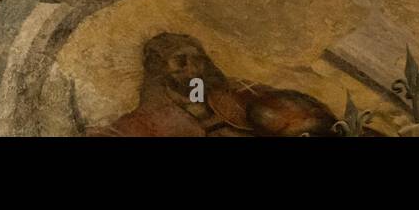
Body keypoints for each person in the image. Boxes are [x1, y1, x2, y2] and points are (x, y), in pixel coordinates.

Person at [90, 33, 339, 136]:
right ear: (158, 68)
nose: (193, 68)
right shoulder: (144, 120)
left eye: (198, 59)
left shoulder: (239, 90)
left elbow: (300, 114)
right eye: (180, 61)